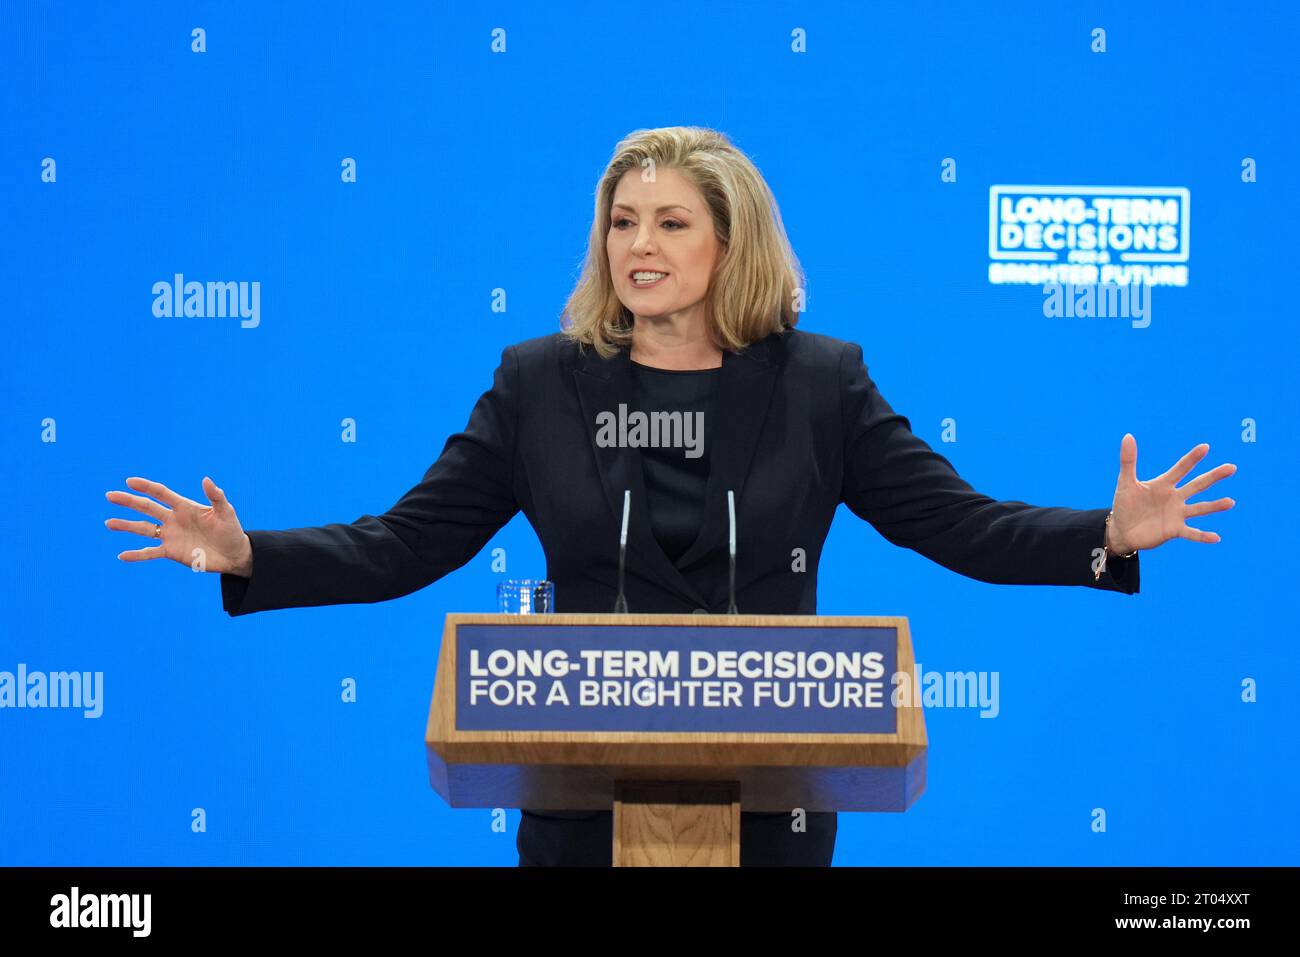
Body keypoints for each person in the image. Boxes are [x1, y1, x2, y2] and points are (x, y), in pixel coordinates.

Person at [105, 126, 1237, 866]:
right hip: (580, 810)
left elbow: (959, 524)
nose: (638, 244)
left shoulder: (819, 385)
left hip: (773, 807)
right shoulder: (539, 384)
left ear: (730, 239)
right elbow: (406, 542)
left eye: (670, 221)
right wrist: (250, 554)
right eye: (621, 221)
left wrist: (1104, 535)